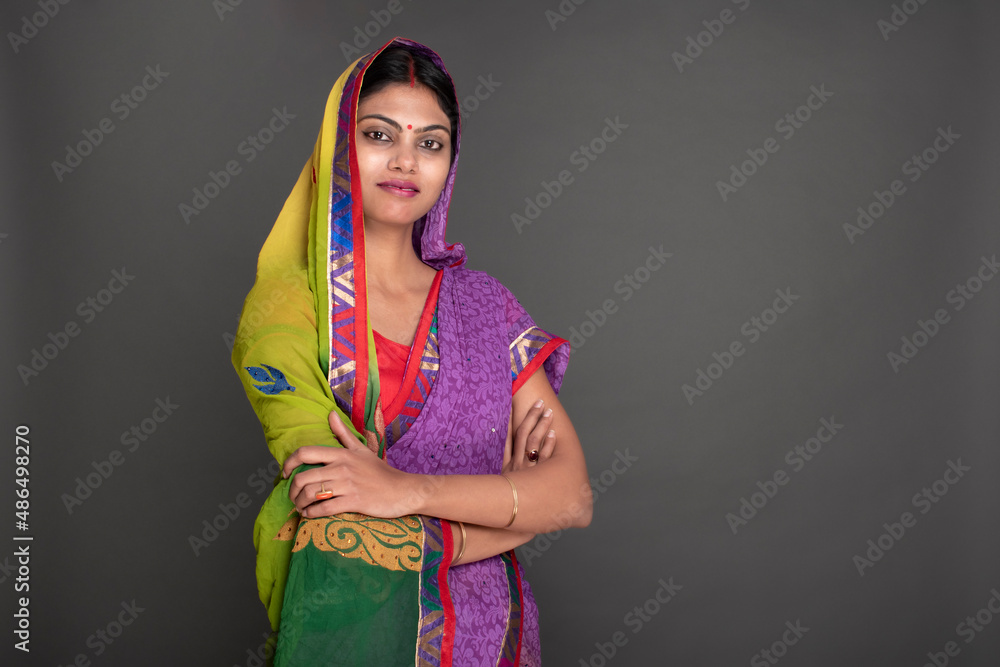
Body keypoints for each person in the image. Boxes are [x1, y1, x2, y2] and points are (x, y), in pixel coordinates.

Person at [232, 37, 592, 666]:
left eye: (430, 142)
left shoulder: (486, 308)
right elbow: (333, 517)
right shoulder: (289, 309)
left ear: (450, 162)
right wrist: (514, 512)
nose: (405, 161)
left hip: (493, 641)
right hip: (350, 636)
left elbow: (571, 497)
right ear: (340, 144)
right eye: (379, 135)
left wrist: (407, 489)